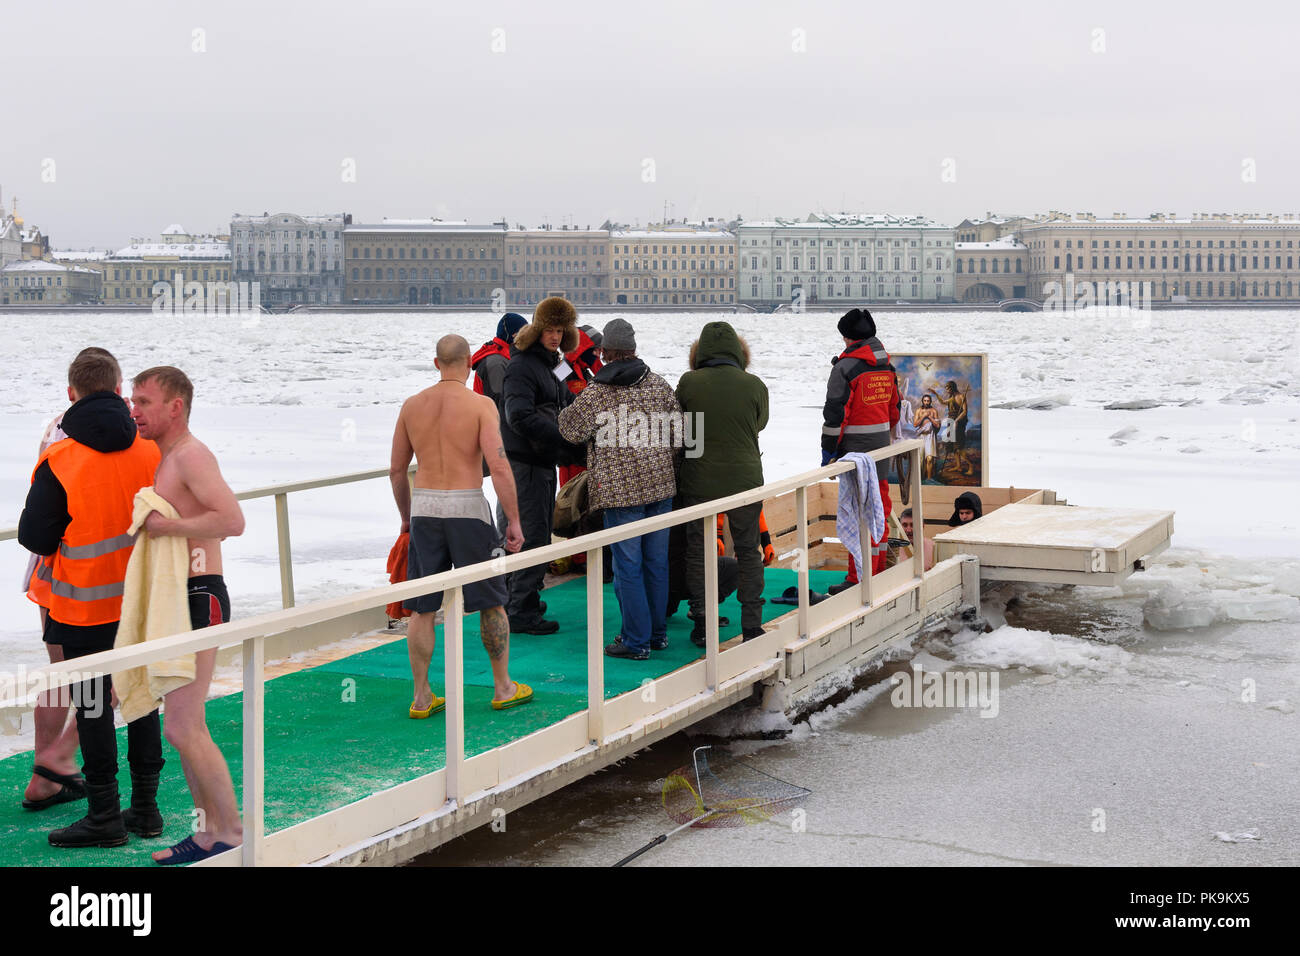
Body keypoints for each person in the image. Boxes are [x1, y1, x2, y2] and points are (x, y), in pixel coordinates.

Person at [18, 350, 165, 848]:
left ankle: (103, 814)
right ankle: (145, 810)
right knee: (142, 700)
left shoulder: (60, 458)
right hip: (142, 600)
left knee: (92, 706)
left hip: (81, 607)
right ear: (121, 391)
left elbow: (36, 536)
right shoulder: (151, 449)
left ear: (70, 395)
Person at [128, 366, 247, 865]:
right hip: (184, 594)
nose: (134, 410)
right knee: (183, 724)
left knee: (183, 726)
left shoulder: (191, 455)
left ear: (175, 407)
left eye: (144, 402)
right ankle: (207, 834)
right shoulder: (169, 456)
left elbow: (232, 521)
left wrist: (162, 528)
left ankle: (234, 834)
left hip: (201, 594)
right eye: (132, 401)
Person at [390, 334, 530, 713]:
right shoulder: (481, 405)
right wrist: (514, 520)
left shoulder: (411, 406)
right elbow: (499, 466)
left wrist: (407, 517)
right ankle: (502, 687)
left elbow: (397, 471)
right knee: (491, 601)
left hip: (425, 509)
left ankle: (421, 696)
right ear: (469, 363)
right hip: (468, 509)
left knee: (422, 608)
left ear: (436, 364)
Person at [20, 346, 118, 812]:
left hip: (48, 564)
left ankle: (46, 770)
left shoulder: (55, 428)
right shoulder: (124, 430)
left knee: (61, 674)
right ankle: (59, 758)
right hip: (99, 568)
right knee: (113, 677)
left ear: (70, 391)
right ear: (118, 389)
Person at [557, 319, 679, 659]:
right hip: (660, 488)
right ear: (634, 348)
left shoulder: (596, 392)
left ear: (604, 352)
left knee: (628, 567)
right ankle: (656, 635)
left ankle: (635, 641)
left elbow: (569, 429)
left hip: (620, 493)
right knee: (656, 563)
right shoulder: (658, 384)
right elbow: (680, 434)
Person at [675, 321, 769, 643]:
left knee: (698, 552)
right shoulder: (754, 384)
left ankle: (702, 622)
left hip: (699, 480)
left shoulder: (689, 382)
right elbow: (760, 423)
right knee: (748, 551)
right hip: (745, 479)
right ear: (738, 352)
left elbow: (683, 428)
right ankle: (752, 626)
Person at [500, 297, 584, 634]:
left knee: (534, 534)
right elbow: (517, 415)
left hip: (542, 461)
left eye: (560, 330)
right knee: (532, 536)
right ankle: (520, 611)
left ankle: (523, 599)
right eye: (549, 329)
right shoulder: (522, 366)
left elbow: (567, 401)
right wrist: (561, 440)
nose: (554, 335)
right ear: (537, 329)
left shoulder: (552, 363)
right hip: (527, 465)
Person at [820, 308, 900, 592]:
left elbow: (835, 416)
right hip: (880, 455)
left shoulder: (845, 368)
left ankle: (857, 580)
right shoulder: (887, 367)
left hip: (854, 456)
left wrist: (828, 452)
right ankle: (875, 574)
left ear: (848, 337)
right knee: (879, 513)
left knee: (856, 515)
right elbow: (895, 411)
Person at [472, 312, 528, 536]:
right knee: (508, 489)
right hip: (500, 435)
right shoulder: (496, 362)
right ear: (514, 335)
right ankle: (507, 542)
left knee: (510, 488)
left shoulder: (500, 357)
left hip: (500, 433)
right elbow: (502, 401)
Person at [913, 394, 942, 481]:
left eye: (928, 401)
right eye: (925, 401)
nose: (926, 402)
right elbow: (915, 424)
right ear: (922, 401)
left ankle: (929, 479)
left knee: (929, 458)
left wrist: (929, 417)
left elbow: (937, 425)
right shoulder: (918, 411)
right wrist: (923, 416)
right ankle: (921, 479)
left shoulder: (934, 411)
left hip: (930, 436)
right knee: (920, 459)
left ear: (930, 402)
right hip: (921, 436)